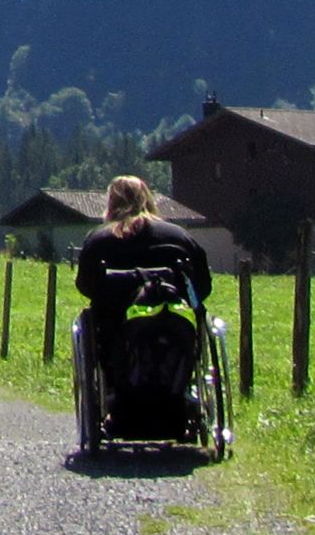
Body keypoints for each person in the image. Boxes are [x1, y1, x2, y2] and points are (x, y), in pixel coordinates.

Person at [75, 176, 212, 437]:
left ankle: (118, 399)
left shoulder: (99, 240)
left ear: (111, 203)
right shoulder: (178, 236)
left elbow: (85, 286)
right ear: (148, 198)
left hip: (116, 333)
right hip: (174, 327)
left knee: (104, 328)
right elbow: (201, 288)